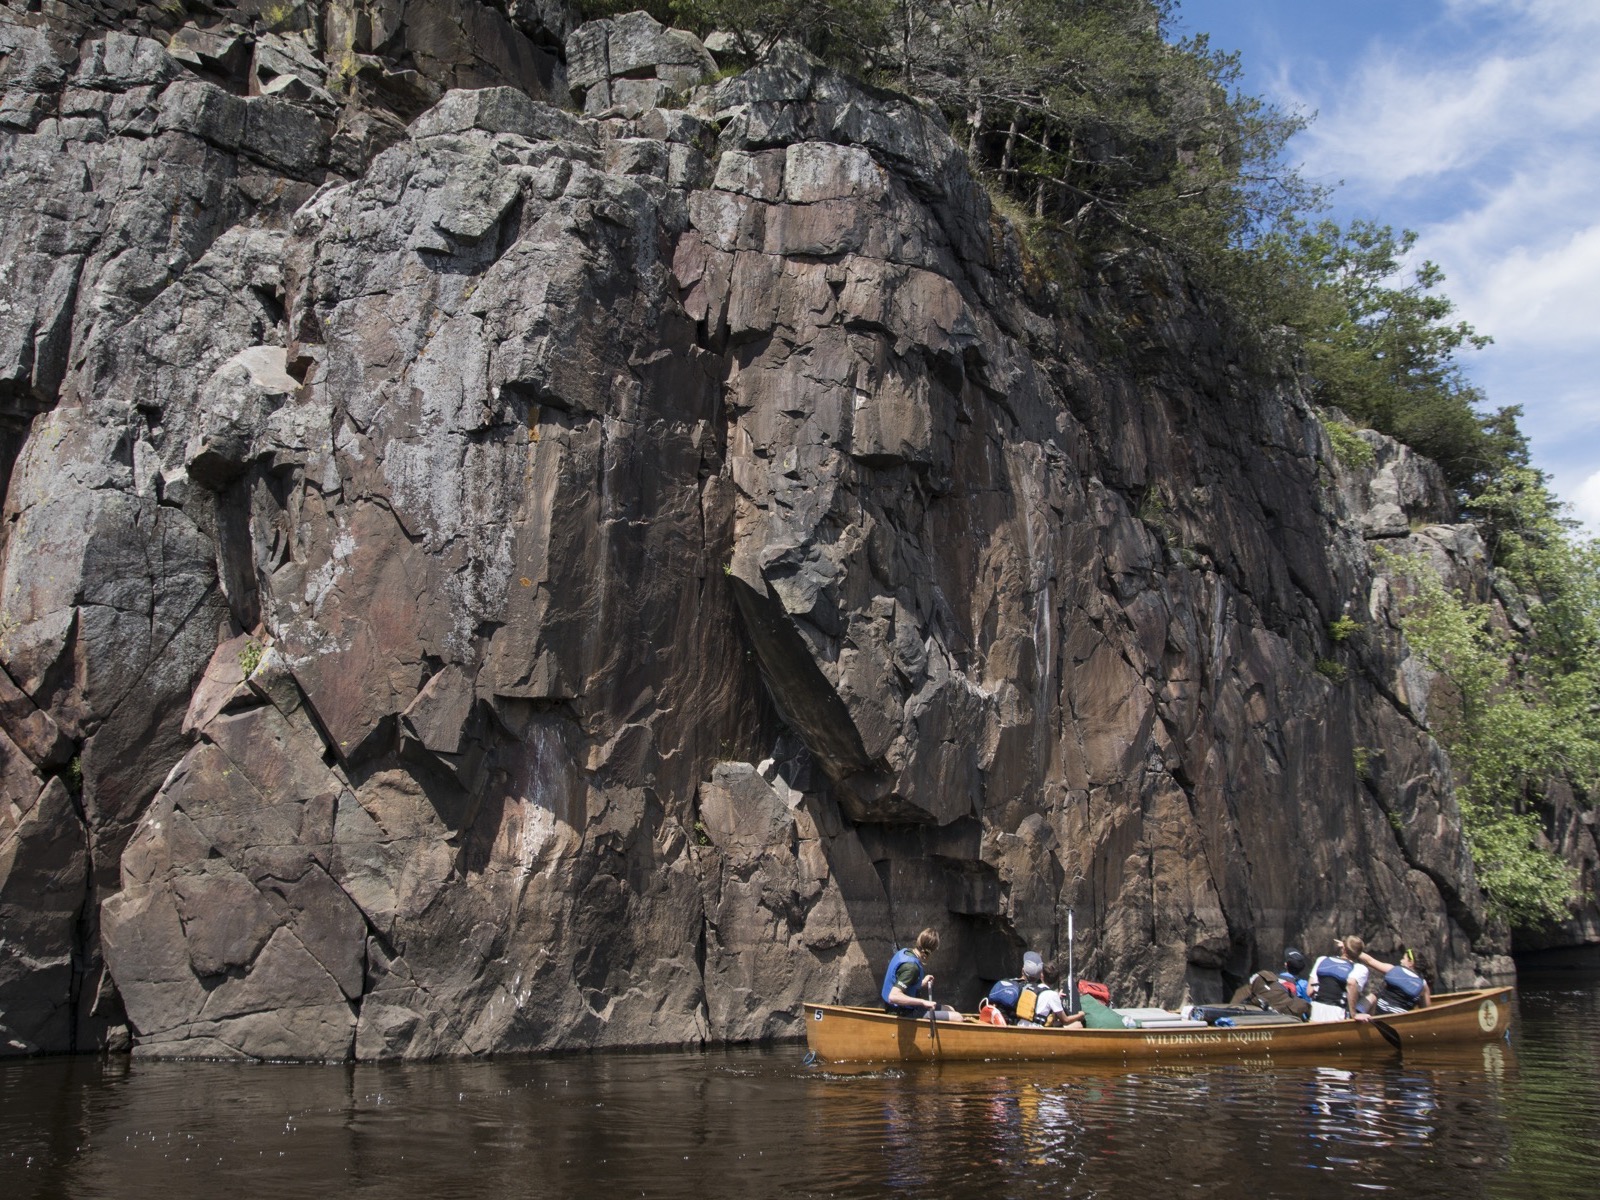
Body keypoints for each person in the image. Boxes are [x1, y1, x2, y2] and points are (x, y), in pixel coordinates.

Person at [881, 928, 961, 1020]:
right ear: (931, 951)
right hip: (902, 1012)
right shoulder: (911, 968)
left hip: (901, 1007)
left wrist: (921, 983)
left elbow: (904, 983)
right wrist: (922, 1002)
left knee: (950, 1009)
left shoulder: (905, 952)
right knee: (958, 1017)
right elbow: (893, 996)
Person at [1228, 948, 1311, 1019]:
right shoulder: (1304, 985)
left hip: (1268, 1011)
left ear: (1286, 965)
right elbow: (1307, 1004)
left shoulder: (1274, 979)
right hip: (1292, 1016)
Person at [1309, 936, 1369, 1022]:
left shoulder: (1321, 960)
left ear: (1343, 949)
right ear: (1359, 953)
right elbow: (1351, 984)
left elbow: (1309, 991)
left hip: (1316, 1012)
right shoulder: (1359, 968)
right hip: (1338, 1015)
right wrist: (1354, 1014)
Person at [1359, 946, 1432, 1014]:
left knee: (1372, 996)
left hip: (1379, 1011)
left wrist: (1353, 950)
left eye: (1403, 959)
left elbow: (1369, 961)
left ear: (1410, 963)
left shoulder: (1392, 969)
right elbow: (1426, 1011)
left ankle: (1355, 1015)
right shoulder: (1423, 984)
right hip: (1399, 1017)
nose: (1401, 961)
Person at [1020, 960, 1084, 1028]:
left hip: (1021, 1026)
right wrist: (1080, 1015)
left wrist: (1057, 996)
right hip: (1037, 1030)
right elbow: (1065, 1020)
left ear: (1041, 975)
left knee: (1056, 1023)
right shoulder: (1052, 995)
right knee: (1078, 1025)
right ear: (1056, 979)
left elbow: (1040, 998)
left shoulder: (1031, 988)